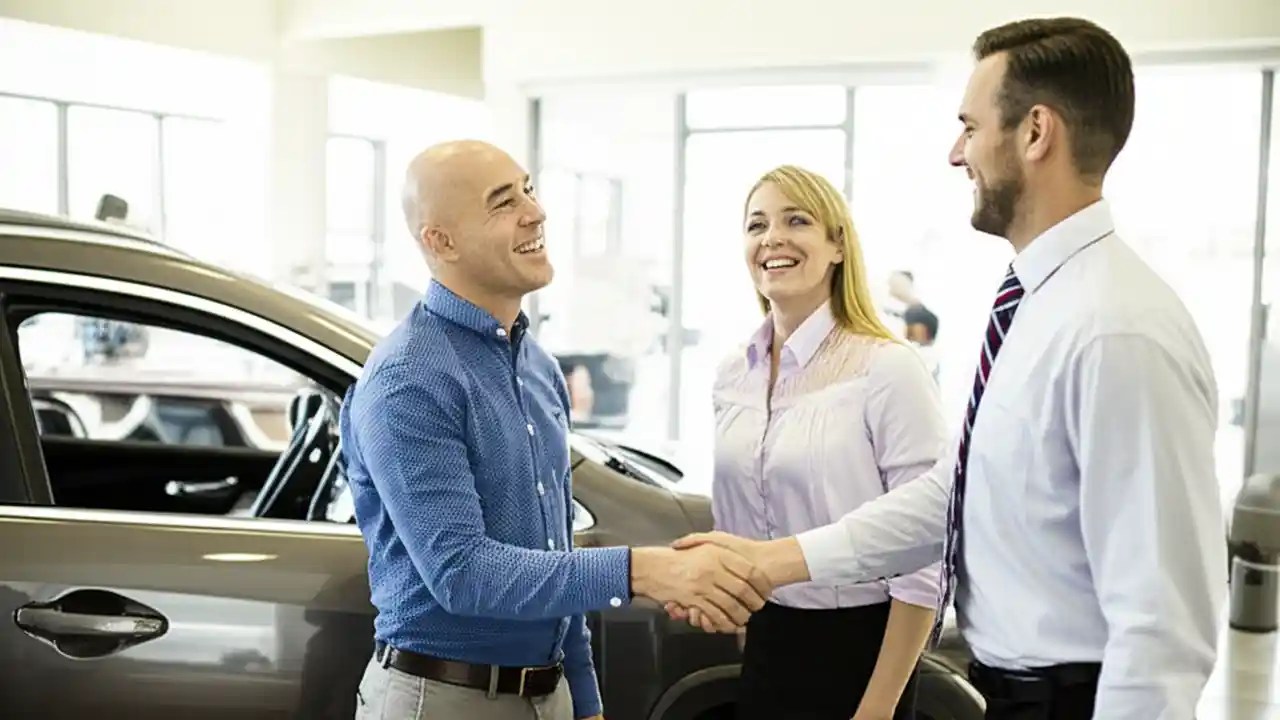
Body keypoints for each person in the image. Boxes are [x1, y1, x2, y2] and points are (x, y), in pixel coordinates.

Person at [671, 17, 1226, 720]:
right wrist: (773, 562)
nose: (955, 153)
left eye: (969, 126)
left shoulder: (1115, 327)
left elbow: (1164, 627)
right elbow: (955, 494)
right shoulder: (1037, 305)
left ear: (1034, 133)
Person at [339, 139, 770, 720]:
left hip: (550, 695)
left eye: (528, 190)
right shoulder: (408, 380)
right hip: (441, 700)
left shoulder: (536, 367)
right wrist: (644, 569)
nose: (535, 212)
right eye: (501, 203)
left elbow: (552, 550)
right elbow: (462, 573)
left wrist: (585, 699)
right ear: (440, 241)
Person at [699, 165, 947, 719]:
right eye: (756, 224)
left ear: (837, 245)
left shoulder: (886, 368)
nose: (773, 238)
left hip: (862, 650)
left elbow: (927, 554)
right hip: (769, 646)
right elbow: (736, 524)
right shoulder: (731, 374)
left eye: (797, 220)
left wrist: (878, 707)